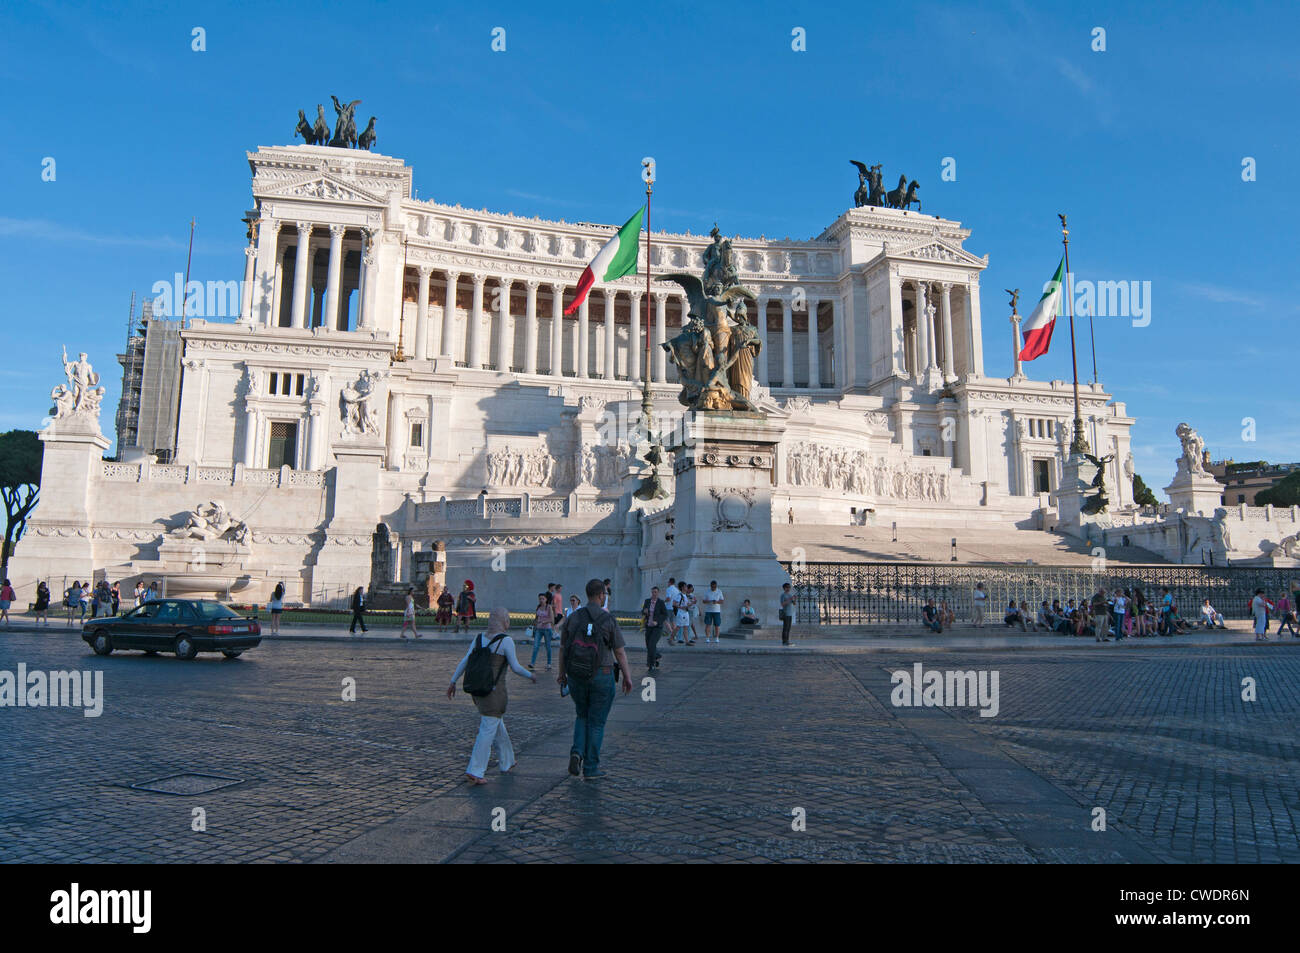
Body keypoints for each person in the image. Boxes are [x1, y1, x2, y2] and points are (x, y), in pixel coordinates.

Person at [446, 607, 537, 785]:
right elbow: (516, 667)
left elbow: (465, 660)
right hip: (495, 693)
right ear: (504, 621)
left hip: (478, 691)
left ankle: (507, 761)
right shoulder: (506, 641)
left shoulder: (479, 638)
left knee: (496, 725)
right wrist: (530, 675)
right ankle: (475, 770)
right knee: (487, 730)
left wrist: (453, 681)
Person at [558, 579, 632, 780]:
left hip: (576, 675)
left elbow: (563, 648)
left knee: (582, 715)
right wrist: (627, 676)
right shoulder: (608, 620)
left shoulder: (574, 618)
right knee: (597, 723)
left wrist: (561, 673)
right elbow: (620, 652)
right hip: (603, 673)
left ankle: (576, 752)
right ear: (601, 596)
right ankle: (591, 768)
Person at [641, 585, 669, 671]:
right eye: (653, 592)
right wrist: (644, 611)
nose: (654, 594)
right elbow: (643, 611)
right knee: (648, 645)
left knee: (652, 644)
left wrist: (657, 621)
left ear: (658, 593)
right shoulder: (647, 601)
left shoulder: (661, 602)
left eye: (656, 592)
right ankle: (657, 655)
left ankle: (651, 664)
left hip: (657, 627)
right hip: (649, 626)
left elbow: (665, 614)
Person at [529, 592, 554, 671]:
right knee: (535, 646)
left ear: (546, 599)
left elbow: (552, 620)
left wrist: (544, 622)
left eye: (543, 599)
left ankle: (549, 663)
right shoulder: (538, 607)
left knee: (548, 647)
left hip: (547, 629)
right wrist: (533, 626)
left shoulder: (549, 607)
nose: (541, 600)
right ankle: (532, 663)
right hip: (538, 629)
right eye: (540, 599)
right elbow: (536, 618)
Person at [663, 577, 681, 643]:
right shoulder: (677, 590)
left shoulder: (668, 589)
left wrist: (663, 601)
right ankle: (675, 635)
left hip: (669, 607)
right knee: (673, 622)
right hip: (675, 607)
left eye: (668, 582)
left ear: (670, 582)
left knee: (665, 620)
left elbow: (668, 598)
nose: (667, 583)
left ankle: (672, 634)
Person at [779, 582, 796, 646]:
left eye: (789, 587)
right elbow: (782, 604)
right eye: (787, 587)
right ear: (784, 588)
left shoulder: (790, 595)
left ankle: (787, 641)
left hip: (790, 613)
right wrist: (790, 599)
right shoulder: (783, 595)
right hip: (785, 613)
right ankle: (784, 641)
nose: (788, 588)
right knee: (785, 628)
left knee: (788, 628)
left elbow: (794, 603)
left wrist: (794, 599)